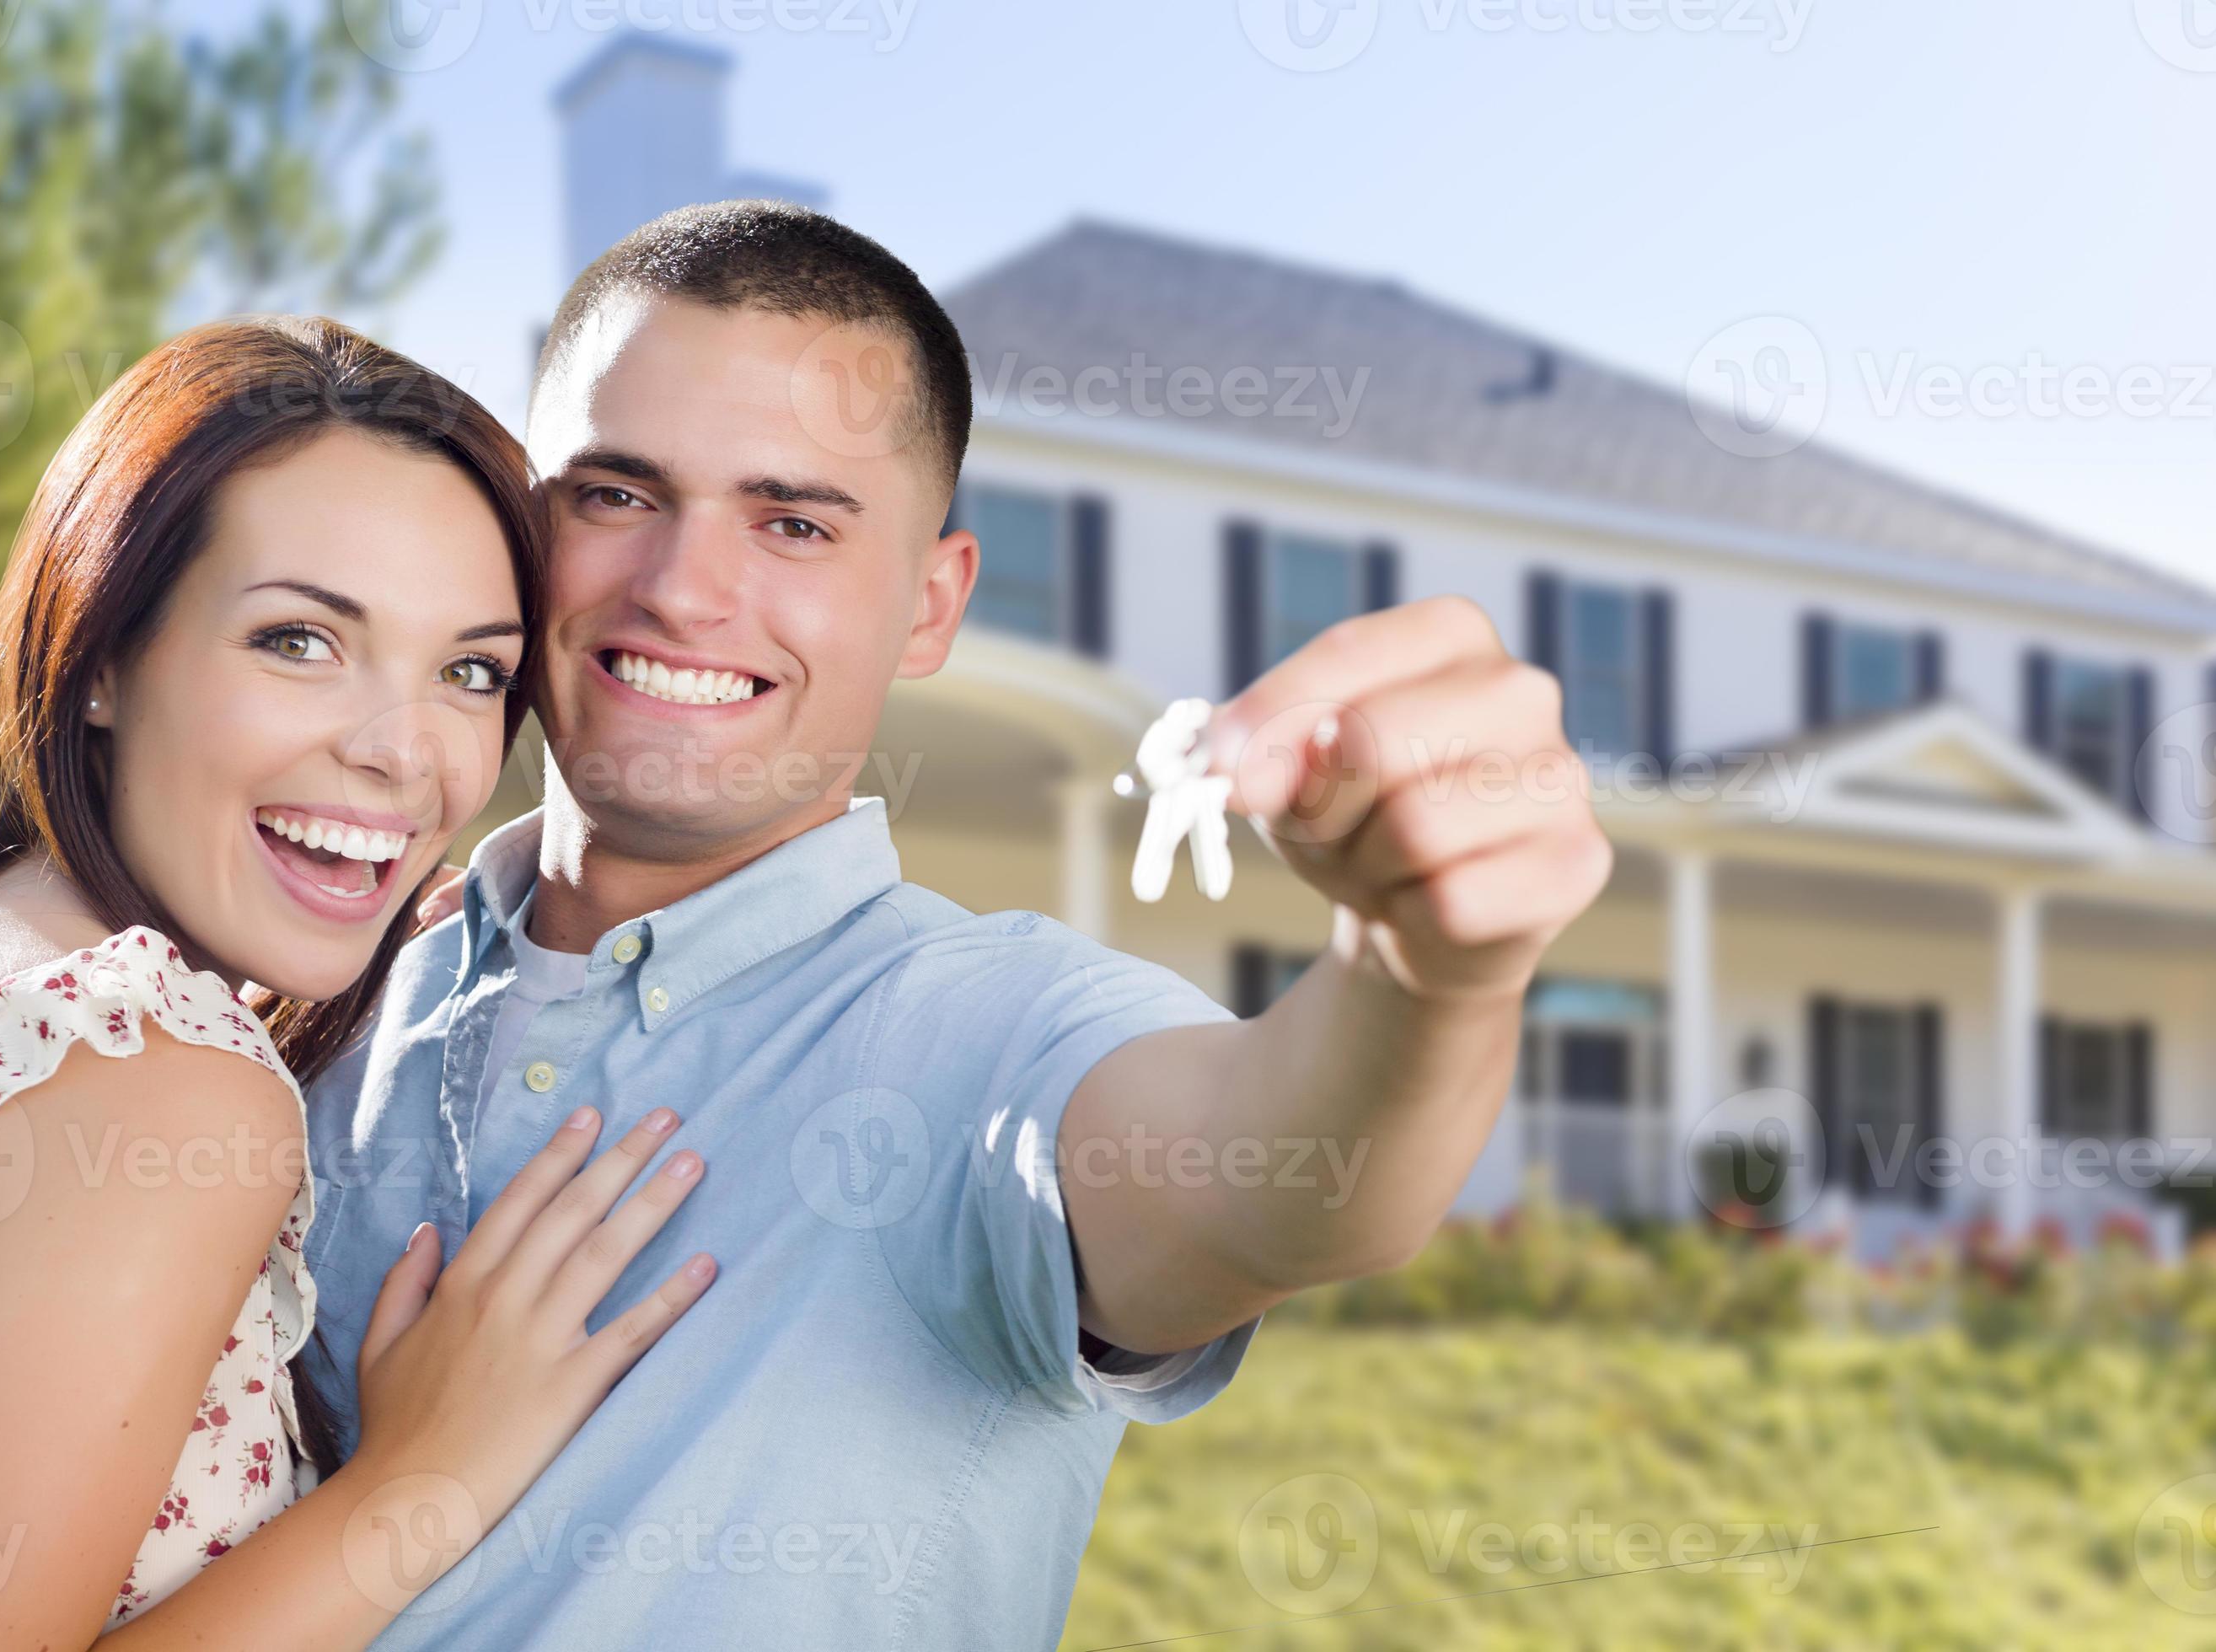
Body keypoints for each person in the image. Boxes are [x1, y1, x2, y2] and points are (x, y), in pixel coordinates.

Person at [301, 201, 1612, 1647]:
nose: (683, 587)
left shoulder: (991, 1031)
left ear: (931, 606)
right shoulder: (331, 991)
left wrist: (1427, 981)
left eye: (793, 521)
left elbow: (1277, 1178)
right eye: (615, 495)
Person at [0, 317, 716, 1649]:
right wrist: (423, 1483)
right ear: (102, 656)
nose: (404, 755)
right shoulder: (151, 1086)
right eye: (299, 642)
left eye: (469, 672)